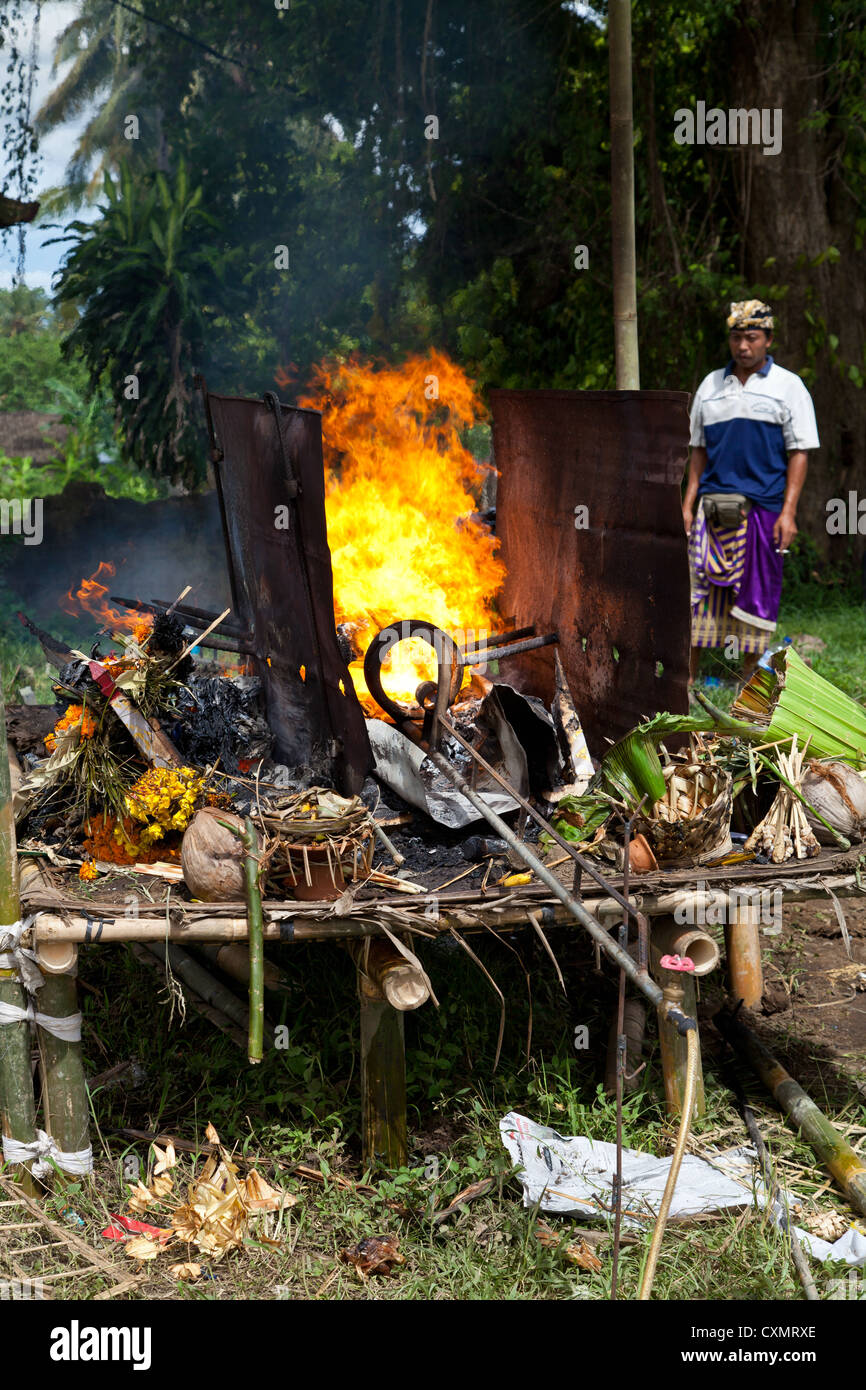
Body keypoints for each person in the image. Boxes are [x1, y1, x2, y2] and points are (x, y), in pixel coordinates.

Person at [683, 300, 819, 684]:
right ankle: (688, 681)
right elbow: (698, 451)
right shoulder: (710, 386)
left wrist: (788, 511)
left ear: (768, 339)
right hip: (713, 505)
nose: (743, 346)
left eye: (752, 338)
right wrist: (687, 504)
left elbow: (799, 453)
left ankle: (747, 679)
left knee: (757, 593)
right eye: (737, 338)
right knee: (699, 595)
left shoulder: (789, 387)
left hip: (764, 509)